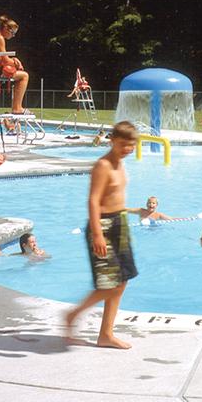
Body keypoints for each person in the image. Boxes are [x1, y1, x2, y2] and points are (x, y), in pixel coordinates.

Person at [63, 121, 140, 348]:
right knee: (110, 285)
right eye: (123, 144)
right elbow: (94, 201)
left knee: (122, 281)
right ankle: (74, 314)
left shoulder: (120, 164)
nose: (127, 149)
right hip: (103, 227)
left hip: (120, 224)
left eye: (131, 145)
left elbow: (116, 197)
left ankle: (106, 334)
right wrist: (97, 234)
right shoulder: (103, 165)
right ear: (112, 140)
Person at [0, 14, 31, 114]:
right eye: (12, 33)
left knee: (14, 71)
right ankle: (17, 108)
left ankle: (16, 107)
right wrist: (17, 62)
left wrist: (14, 60)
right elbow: (5, 60)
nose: (13, 36)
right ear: (5, 28)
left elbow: (3, 58)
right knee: (24, 76)